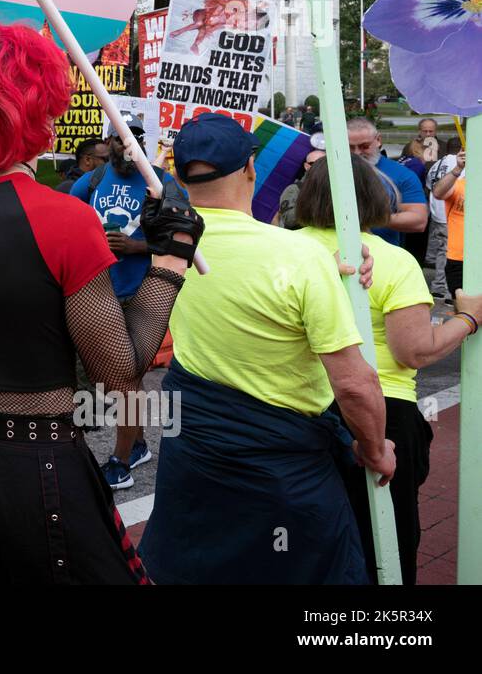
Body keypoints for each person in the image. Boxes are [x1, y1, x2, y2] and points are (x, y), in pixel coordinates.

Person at [0, 24, 202, 584]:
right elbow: (120, 370)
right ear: (39, 113)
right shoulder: (63, 217)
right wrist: (171, 261)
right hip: (42, 459)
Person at [138, 113, 392, 585]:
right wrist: (376, 448)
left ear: (179, 175)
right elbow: (355, 385)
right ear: (250, 169)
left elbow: (240, 285)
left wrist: (326, 270)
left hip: (196, 457)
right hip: (281, 466)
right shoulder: (295, 257)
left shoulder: (168, 250)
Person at [295, 155, 482, 584]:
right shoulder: (392, 261)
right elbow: (413, 351)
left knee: (305, 538)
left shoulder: (286, 250)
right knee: (386, 541)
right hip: (382, 409)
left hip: (296, 407)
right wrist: (467, 319)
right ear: (374, 199)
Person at [70, 120, 180, 489]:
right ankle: (138, 445)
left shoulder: (162, 182)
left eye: (138, 138)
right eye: (122, 137)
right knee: (109, 379)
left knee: (126, 378)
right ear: (110, 140)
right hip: (98, 291)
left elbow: (185, 240)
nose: (129, 145)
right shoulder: (94, 180)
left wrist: (140, 247)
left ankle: (120, 461)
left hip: (141, 292)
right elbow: (66, 224)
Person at [347, 117, 427, 248]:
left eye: (364, 146)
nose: (357, 153)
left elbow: (418, 221)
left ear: (378, 140)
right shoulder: (330, 171)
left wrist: (370, 218)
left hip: (382, 256)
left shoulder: (401, 174)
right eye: (350, 147)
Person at [426, 137, 462, 297]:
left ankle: (440, 287)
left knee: (442, 250)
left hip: (437, 213)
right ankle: (442, 288)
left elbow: (429, 185)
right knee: (447, 252)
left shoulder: (437, 164)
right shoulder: (460, 165)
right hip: (448, 215)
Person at [434, 150, 467, 302]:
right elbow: (438, 193)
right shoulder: (460, 184)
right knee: (462, 311)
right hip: (458, 258)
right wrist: (457, 169)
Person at [273, 148, 325, 229]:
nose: (321, 168)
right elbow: (289, 220)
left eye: (325, 164)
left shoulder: (333, 189)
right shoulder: (294, 189)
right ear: (307, 166)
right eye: (316, 164)